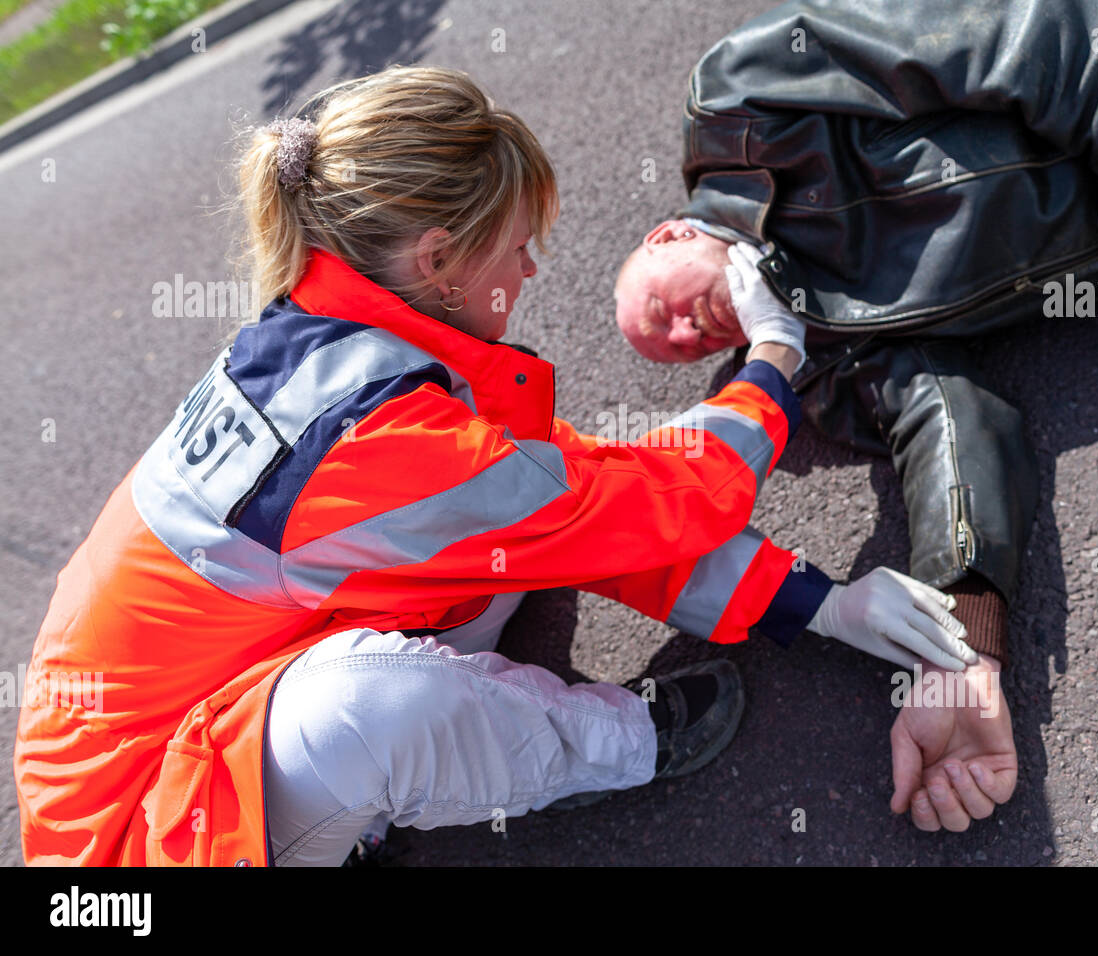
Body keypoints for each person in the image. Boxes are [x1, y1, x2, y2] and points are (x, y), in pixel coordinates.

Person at [13, 66, 978, 868]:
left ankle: (371, 784)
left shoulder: (330, 338)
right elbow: (621, 503)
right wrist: (770, 366)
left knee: (509, 543)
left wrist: (819, 603)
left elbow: (569, 501)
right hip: (134, 844)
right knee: (371, 709)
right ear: (437, 259)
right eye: (518, 249)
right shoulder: (373, 440)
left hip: (206, 711)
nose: (531, 273)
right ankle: (616, 746)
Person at [614, 0, 1098, 834]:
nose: (690, 334)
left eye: (665, 311)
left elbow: (1052, 29)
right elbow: (952, 429)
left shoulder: (743, 101)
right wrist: (962, 652)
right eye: (685, 356)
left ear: (665, 235)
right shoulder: (822, 361)